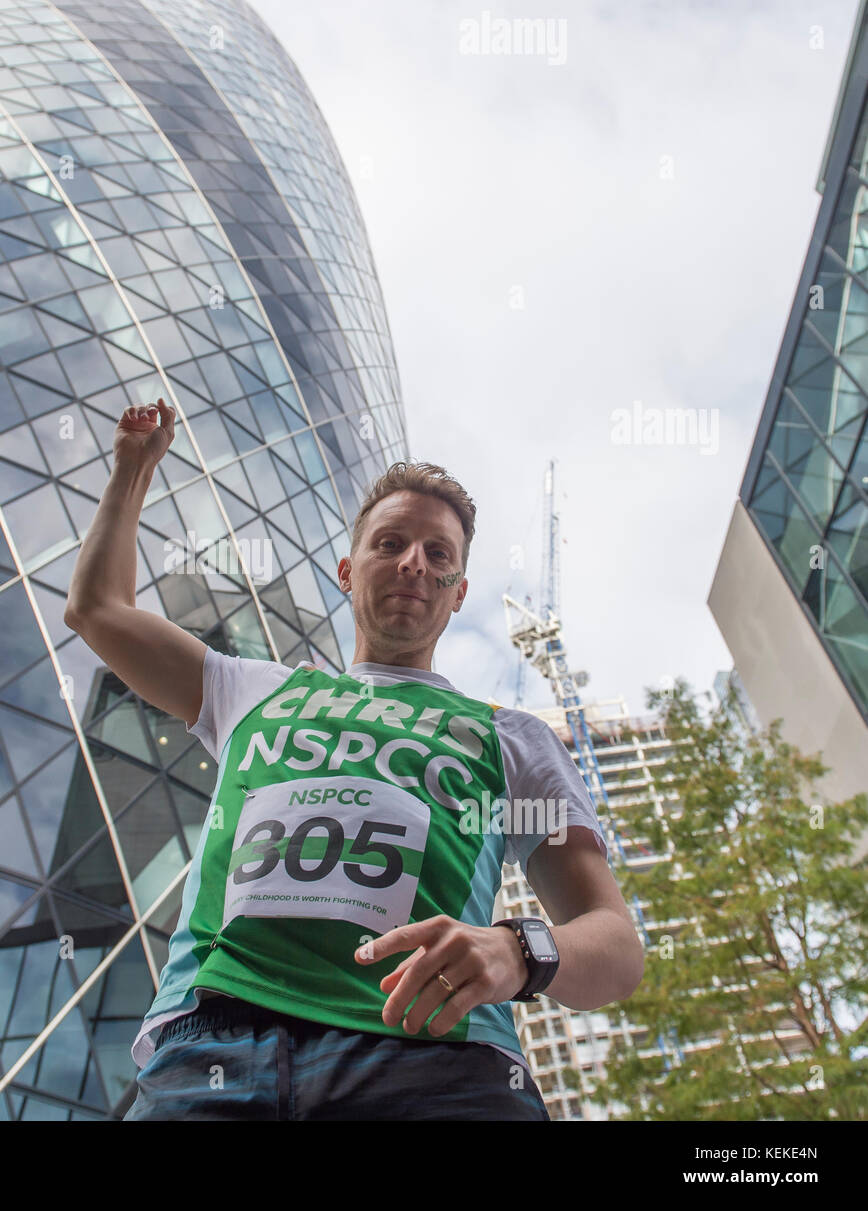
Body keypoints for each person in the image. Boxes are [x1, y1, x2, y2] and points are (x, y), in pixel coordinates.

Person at [63, 398, 644, 1121]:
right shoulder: (249, 688)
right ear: (346, 569)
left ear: (459, 593)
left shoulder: (513, 737)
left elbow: (616, 945)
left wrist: (515, 952)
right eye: (391, 542)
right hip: (210, 1052)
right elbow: (97, 610)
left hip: (436, 1058)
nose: (413, 564)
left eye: (439, 555)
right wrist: (131, 470)